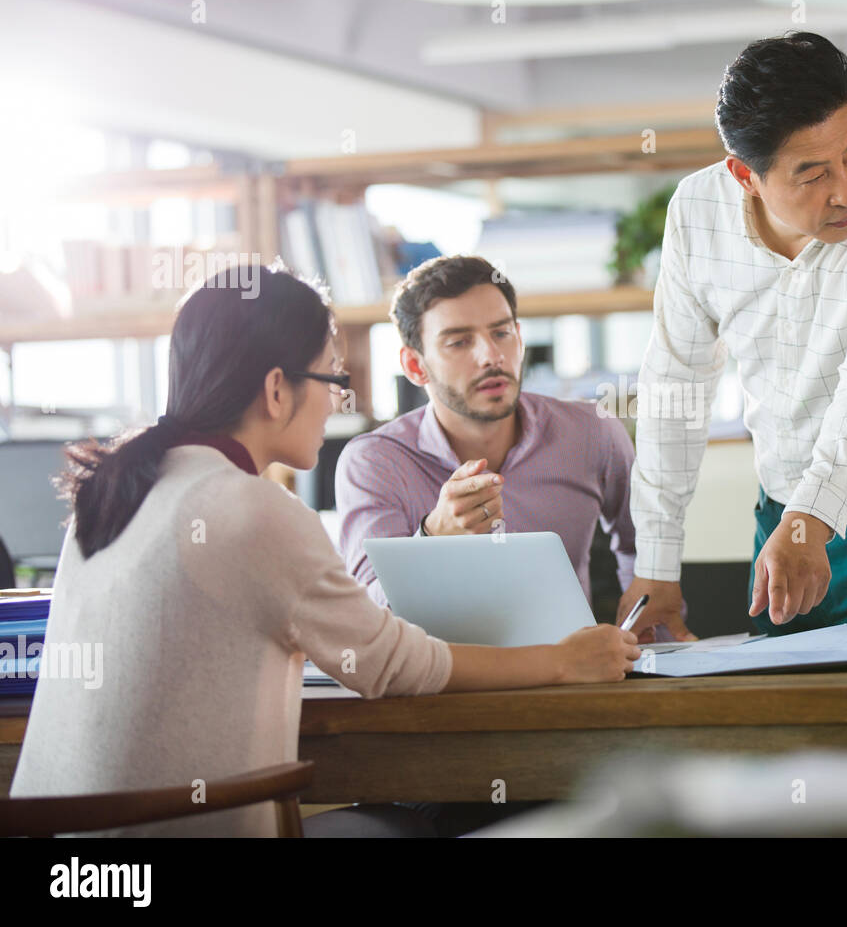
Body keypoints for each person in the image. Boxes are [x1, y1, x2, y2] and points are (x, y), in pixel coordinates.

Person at [9, 264, 638, 836]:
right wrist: (560, 661)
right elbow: (391, 665)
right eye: (334, 377)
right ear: (277, 389)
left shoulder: (116, 488)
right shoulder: (250, 508)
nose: (339, 398)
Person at [619, 31, 847, 638]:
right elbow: (676, 382)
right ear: (745, 175)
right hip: (785, 516)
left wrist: (811, 519)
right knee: (789, 715)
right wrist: (656, 564)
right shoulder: (696, 213)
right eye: (811, 174)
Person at [333, 255, 676, 634]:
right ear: (416, 367)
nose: (491, 357)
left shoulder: (592, 432)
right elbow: (367, 622)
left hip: (573, 679)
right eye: (459, 342)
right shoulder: (374, 463)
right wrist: (433, 539)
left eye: (501, 333)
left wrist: (652, 649)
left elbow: (642, 546)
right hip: (439, 687)